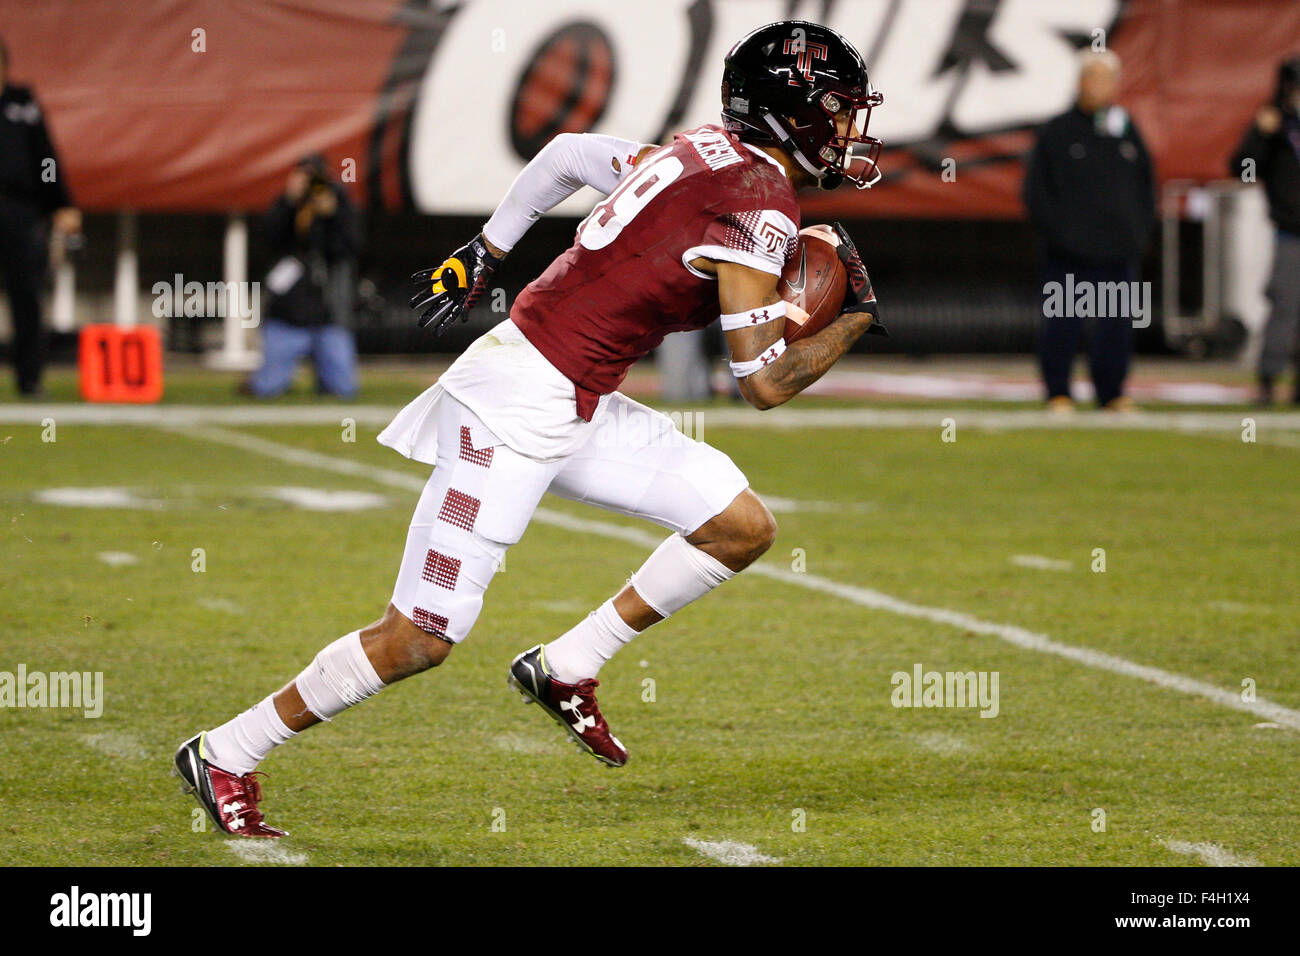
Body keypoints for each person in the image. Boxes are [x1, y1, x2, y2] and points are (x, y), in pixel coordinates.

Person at [176, 20, 886, 838]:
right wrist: (854, 317)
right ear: (787, 111)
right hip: (517, 401)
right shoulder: (756, 201)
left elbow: (566, 155)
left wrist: (487, 248)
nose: (846, 130)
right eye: (835, 110)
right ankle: (228, 751)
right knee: (420, 639)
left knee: (738, 526)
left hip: (574, 392)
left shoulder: (699, 152)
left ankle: (567, 666)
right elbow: (761, 381)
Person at [1023, 50, 1155, 412]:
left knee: (1116, 325)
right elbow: (1036, 192)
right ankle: (1058, 391)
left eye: (1108, 78)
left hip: (1117, 251)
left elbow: (1146, 185)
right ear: (1080, 81)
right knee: (1063, 323)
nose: (1101, 86)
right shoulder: (1058, 131)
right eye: (1094, 77)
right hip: (1067, 253)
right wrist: (1059, 235)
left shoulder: (1126, 128)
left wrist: (1137, 234)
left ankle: (1112, 393)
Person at [0, 34, 81, 397]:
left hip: (19, 210)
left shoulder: (23, 103)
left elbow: (45, 157)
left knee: (27, 296)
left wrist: (60, 202)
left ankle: (30, 378)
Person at [245, 155, 360, 398]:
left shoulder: (339, 204)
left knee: (344, 390)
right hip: (288, 315)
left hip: (329, 317)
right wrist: (289, 201)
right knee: (266, 389)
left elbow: (351, 248)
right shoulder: (286, 205)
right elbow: (268, 238)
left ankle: (325, 379)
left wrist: (331, 216)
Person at [1231, 55, 1300, 406]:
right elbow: (1242, 170)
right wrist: (1261, 134)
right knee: (1285, 308)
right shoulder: (1276, 126)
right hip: (1289, 232)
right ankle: (1269, 380)